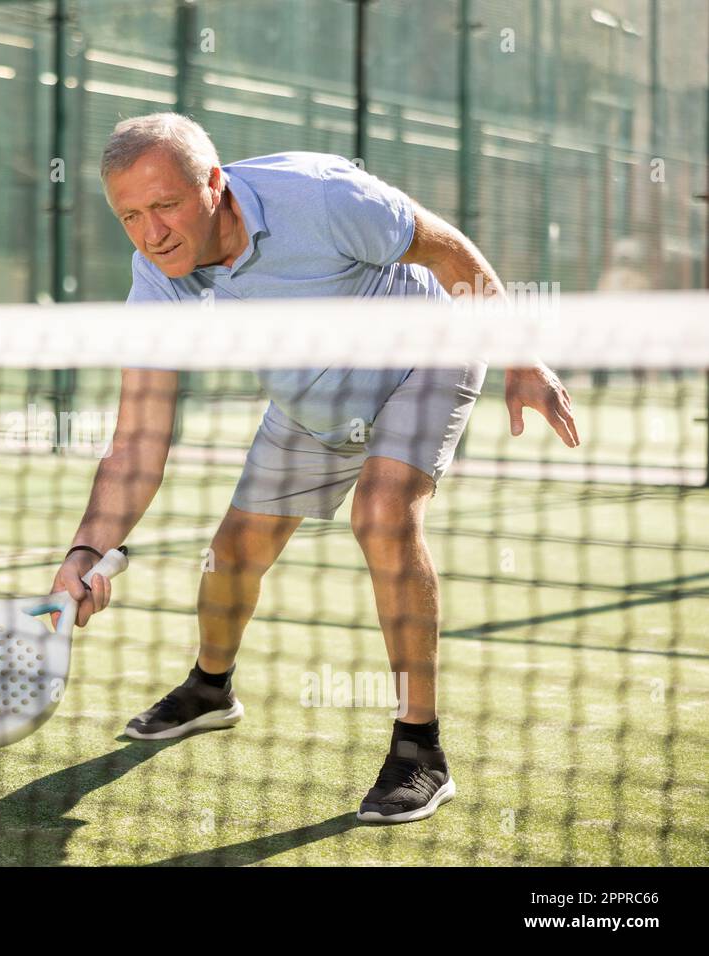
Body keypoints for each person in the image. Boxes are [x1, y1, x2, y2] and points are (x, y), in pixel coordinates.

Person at [51, 113, 579, 824]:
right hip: (313, 397)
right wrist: (86, 549)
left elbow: (451, 254)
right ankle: (211, 688)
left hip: (423, 356)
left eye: (167, 206)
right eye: (131, 217)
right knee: (231, 555)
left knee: (384, 513)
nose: (152, 234)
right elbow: (139, 437)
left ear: (214, 184)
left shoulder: (323, 198)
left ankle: (420, 749)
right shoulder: (159, 276)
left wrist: (520, 356)